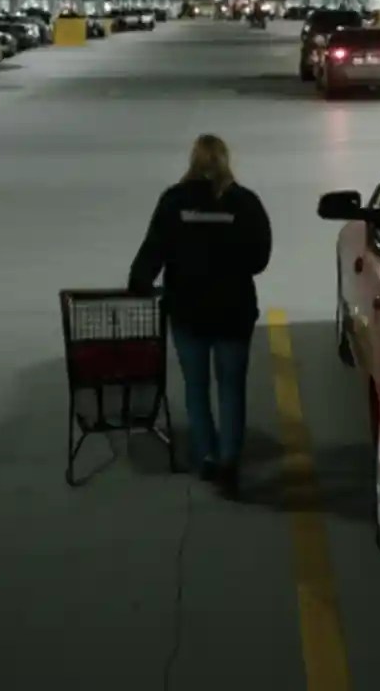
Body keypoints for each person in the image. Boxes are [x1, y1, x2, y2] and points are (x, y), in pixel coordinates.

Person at [128, 134, 272, 499]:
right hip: (233, 312)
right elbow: (259, 259)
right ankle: (229, 463)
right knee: (231, 388)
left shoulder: (173, 201)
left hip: (188, 312)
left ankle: (206, 454)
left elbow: (154, 249)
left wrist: (139, 284)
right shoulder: (245, 202)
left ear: (193, 161)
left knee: (196, 387)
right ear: (225, 161)